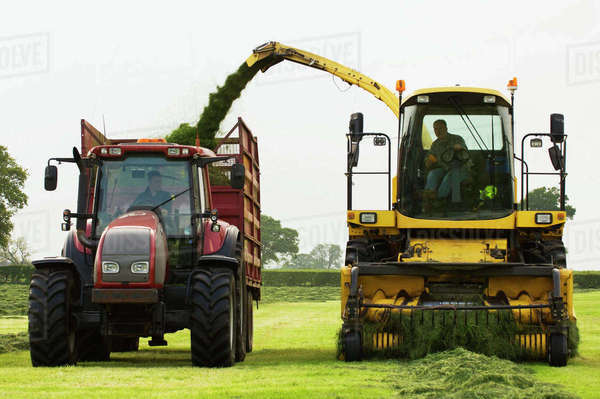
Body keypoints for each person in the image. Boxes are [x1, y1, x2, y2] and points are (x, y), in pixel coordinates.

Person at [423, 119, 470, 208]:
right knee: (433, 174)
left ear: (446, 128)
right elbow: (429, 158)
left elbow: (464, 152)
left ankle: (439, 198)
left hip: (461, 169)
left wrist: (459, 148)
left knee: (450, 177)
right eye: (435, 129)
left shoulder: (457, 139)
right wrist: (429, 161)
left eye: (440, 128)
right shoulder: (435, 144)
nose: (438, 131)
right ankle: (429, 196)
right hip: (445, 169)